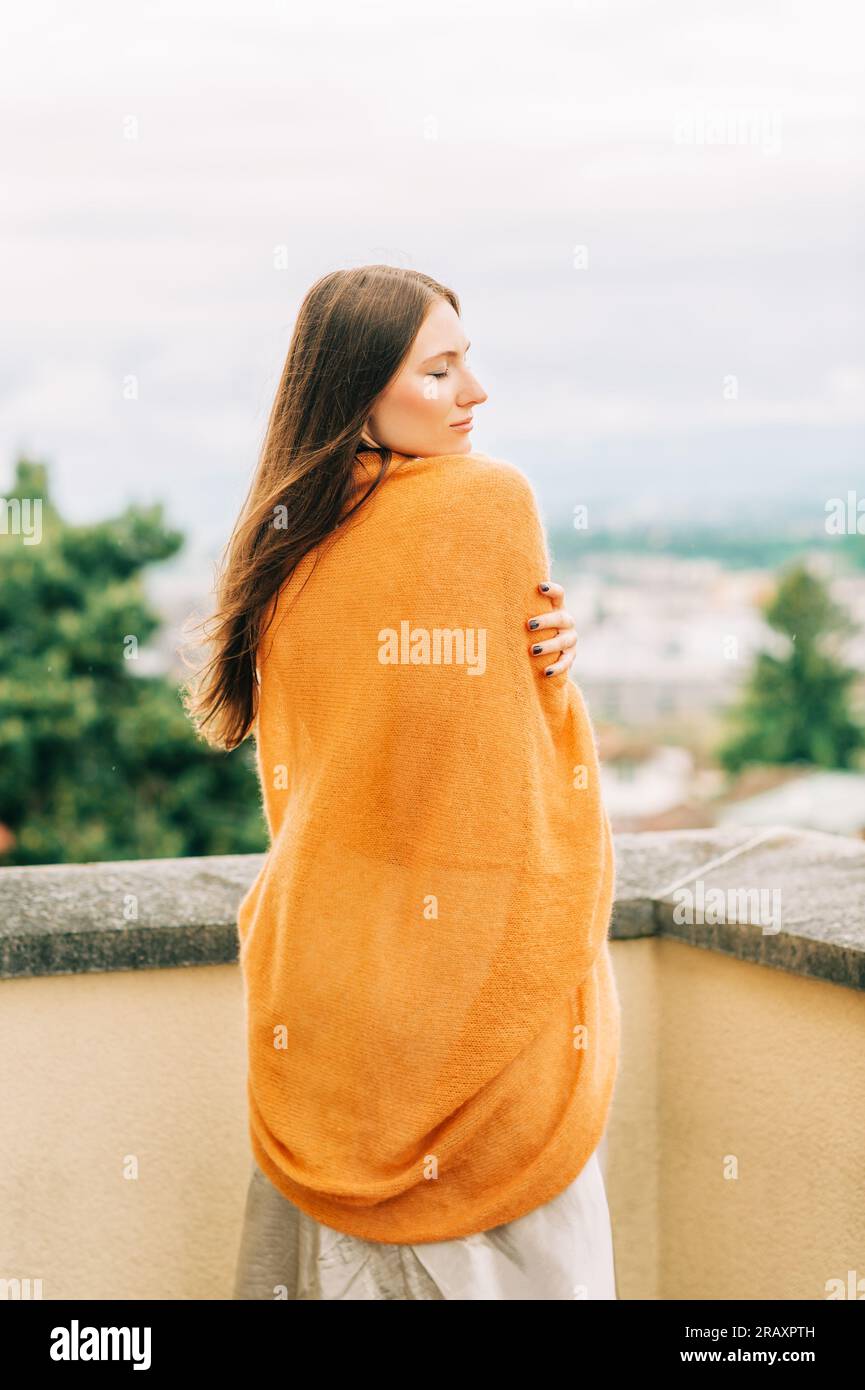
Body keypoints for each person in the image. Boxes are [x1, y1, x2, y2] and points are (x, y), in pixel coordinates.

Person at [183, 264, 621, 1300]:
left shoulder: (281, 539)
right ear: (358, 389)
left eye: (466, 362)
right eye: (439, 369)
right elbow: (514, 792)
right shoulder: (484, 502)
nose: (475, 393)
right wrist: (557, 684)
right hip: (462, 1013)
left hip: (324, 998)